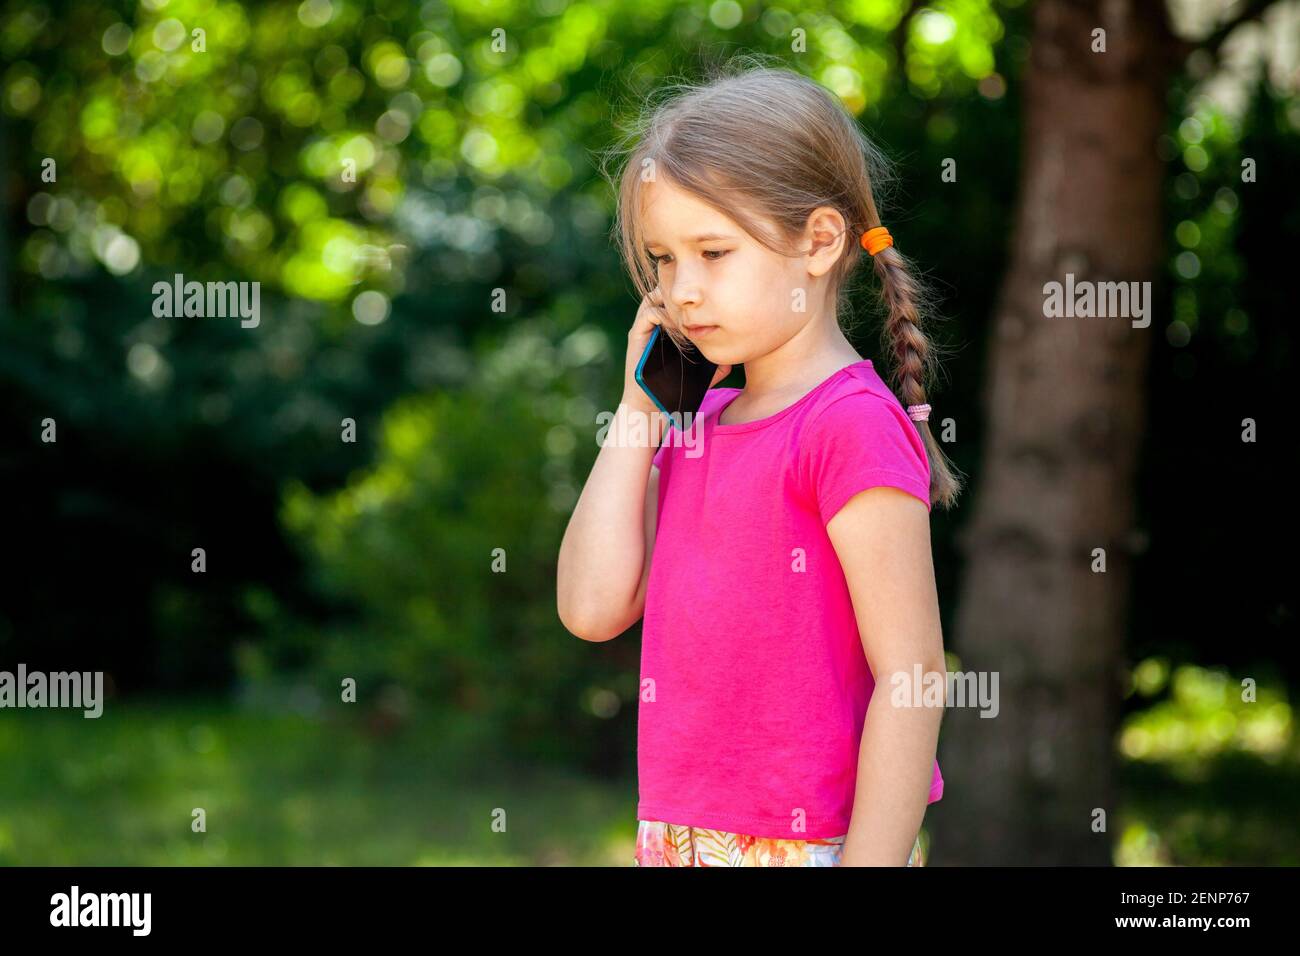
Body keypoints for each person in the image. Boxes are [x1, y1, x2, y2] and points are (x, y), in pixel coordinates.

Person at [558, 60, 963, 866]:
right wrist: (640, 410)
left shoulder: (848, 426)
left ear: (818, 242)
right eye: (662, 260)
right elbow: (592, 607)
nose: (682, 292)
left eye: (712, 252)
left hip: (811, 844)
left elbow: (912, 678)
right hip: (677, 838)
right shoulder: (691, 424)